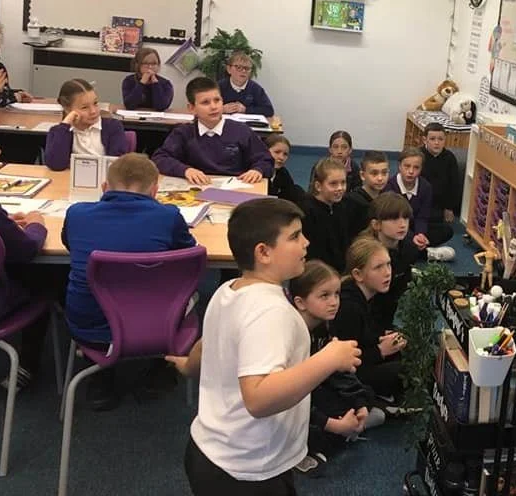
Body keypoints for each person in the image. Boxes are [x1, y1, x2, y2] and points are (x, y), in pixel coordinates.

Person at [166, 198, 362, 494]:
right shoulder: (271, 312)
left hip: (208, 451)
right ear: (264, 252)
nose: (306, 242)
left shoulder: (228, 290)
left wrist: (187, 366)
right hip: (248, 472)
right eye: (295, 236)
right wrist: (329, 359)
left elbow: (210, 345)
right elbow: (258, 399)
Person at [62, 153, 197, 410]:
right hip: (159, 330)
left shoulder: (77, 214)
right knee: (190, 293)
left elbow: (68, 245)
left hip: (88, 330)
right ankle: (160, 367)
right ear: (155, 191)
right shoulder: (168, 217)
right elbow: (187, 254)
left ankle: (101, 374)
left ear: (104, 188)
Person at [0, 119, 64, 390]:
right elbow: (25, 249)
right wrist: (37, 224)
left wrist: (4, 222)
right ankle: (29, 364)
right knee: (46, 274)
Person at [289, 260, 385, 459]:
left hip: (315, 390)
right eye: (324, 295)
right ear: (300, 302)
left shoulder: (325, 324)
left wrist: (359, 403)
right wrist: (333, 425)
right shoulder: (292, 338)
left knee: (366, 397)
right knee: (317, 430)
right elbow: (294, 396)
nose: (334, 302)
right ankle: (321, 442)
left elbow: (338, 372)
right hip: (292, 402)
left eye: (336, 294)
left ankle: (345, 428)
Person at [152, 76, 273, 186]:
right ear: (192, 108)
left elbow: (265, 160)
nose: (214, 107)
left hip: (234, 189)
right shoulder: (183, 133)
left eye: (217, 100)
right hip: (196, 188)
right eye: (205, 102)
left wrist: (257, 170)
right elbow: (160, 158)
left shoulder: (241, 131)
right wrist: (185, 170)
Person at [331, 236, 407, 405]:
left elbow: (364, 334)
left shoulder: (368, 294)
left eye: (388, 264)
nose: (387, 272)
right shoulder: (348, 307)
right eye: (378, 267)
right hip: (345, 374)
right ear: (358, 275)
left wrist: (381, 336)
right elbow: (344, 363)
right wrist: (381, 350)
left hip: (362, 359)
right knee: (404, 370)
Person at [361, 193, 419, 334]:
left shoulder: (409, 246)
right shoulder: (364, 252)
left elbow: (401, 283)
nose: (402, 224)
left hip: (389, 306)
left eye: (405, 218)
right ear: (376, 224)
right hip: (364, 312)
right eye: (394, 219)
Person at [385, 147, 455, 262]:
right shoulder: (390, 186)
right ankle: (426, 253)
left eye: (416, 167)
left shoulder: (425, 187)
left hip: (415, 226)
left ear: (421, 169)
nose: (411, 171)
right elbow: (391, 220)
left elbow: (422, 217)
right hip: (397, 227)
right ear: (399, 166)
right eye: (407, 166)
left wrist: (420, 235)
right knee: (395, 237)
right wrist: (412, 237)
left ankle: (416, 248)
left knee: (446, 230)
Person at [45, 79, 131, 171]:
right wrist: (65, 125)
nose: (93, 111)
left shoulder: (113, 127)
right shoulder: (59, 131)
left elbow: (116, 165)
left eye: (95, 103)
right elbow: (56, 165)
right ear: (67, 109)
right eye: (84, 107)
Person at [301, 158, 348, 272]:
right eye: (333, 184)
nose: (340, 188)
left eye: (343, 182)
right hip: (317, 273)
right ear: (318, 186)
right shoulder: (307, 212)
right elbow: (313, 253)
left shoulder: (341, 205)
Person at [419, 123, 460, 247]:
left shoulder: (450, 158)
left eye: (440, 139)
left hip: (439, 206)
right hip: (420, 203)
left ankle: (423, 242)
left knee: (444, 229)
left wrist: (449, 208)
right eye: (432, 139)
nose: (437, 143)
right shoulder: (418, 156)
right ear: (424, 139)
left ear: (444, 140)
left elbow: (454, 185)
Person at [342, 150, 390, 241]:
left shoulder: (387, 199)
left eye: (384, 173)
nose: (380, 178)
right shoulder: (351, 202)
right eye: (374, 173)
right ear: (362, 175)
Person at [218, 50, 274, 118]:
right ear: (229, 69)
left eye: (247, 68)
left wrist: (246, 110)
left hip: (248, 126)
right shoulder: (219, 86)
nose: (243, 71)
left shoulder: (255, 88)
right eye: (238, 67)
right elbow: (205, 107)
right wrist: (221, 109)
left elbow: (269, 110)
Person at [121, 47, 174, 111]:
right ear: (138, 65)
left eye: (154, 64)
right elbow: (130, 105)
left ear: (158, 65)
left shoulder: (166, 84)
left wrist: (155, 83)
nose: (150, 67)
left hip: (157, 119)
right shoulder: (129, 81)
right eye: (145, 63)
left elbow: (161, 107)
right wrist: (142, 83)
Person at [265, 134, 306, 207]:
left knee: (297, 190)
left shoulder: (283, 172)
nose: (281, 157)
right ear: (265, 151)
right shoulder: (259, 172)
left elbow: (290, 190)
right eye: (277, 152)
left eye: (285, 154)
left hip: (275, 206)